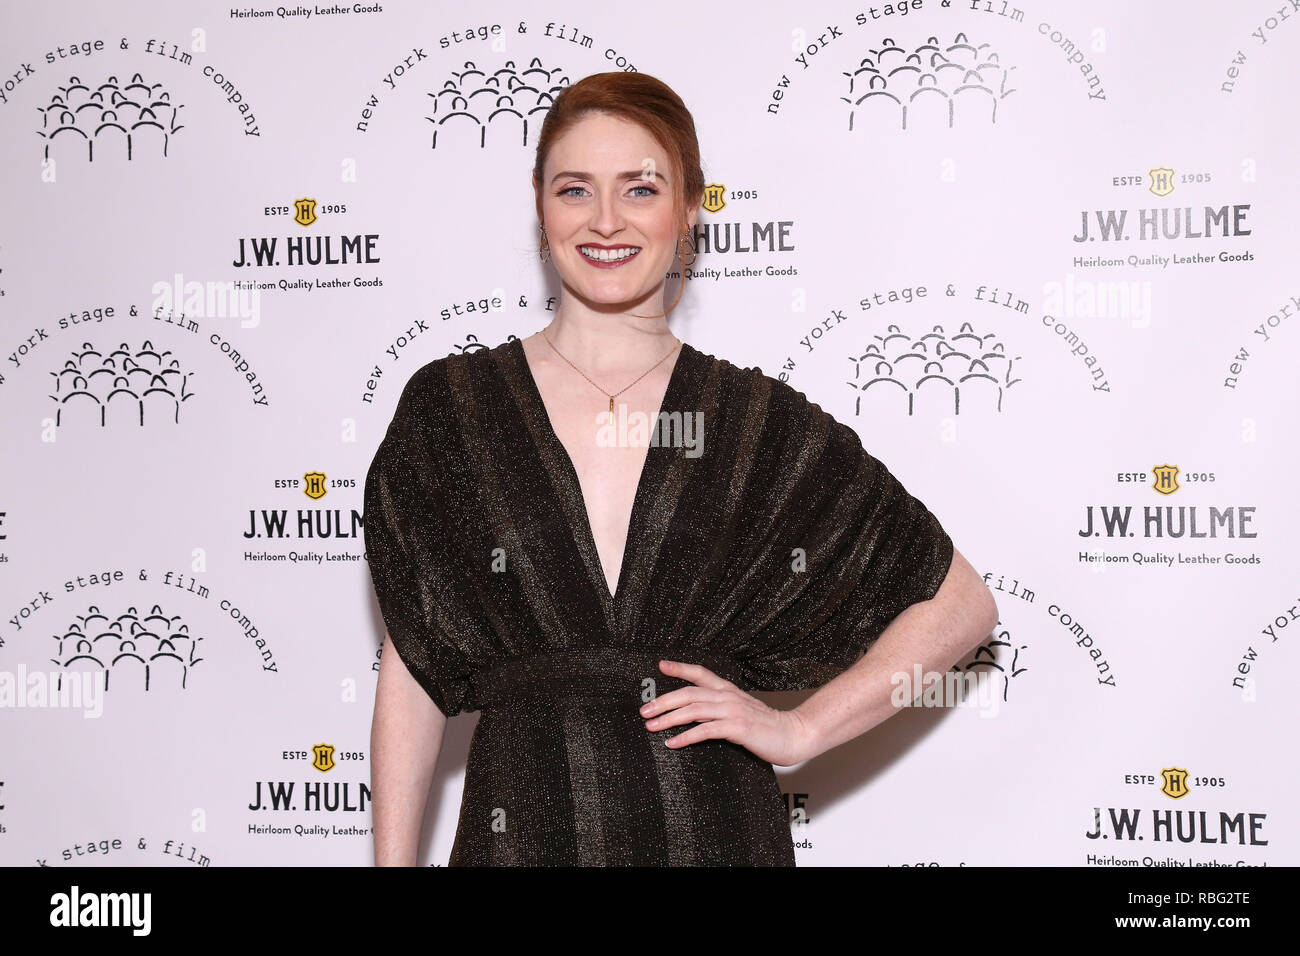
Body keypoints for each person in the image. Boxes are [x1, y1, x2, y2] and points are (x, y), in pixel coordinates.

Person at [364, 72, 998, 866]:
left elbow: (961, 604)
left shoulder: (754, 426)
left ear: (688, 207)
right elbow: (415, 664)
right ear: (539, 206)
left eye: (639, 189)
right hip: (518, 837)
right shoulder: (452, 412)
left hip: (716, 834)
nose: (604, 221)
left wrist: (798, 730)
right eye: (574, 190)